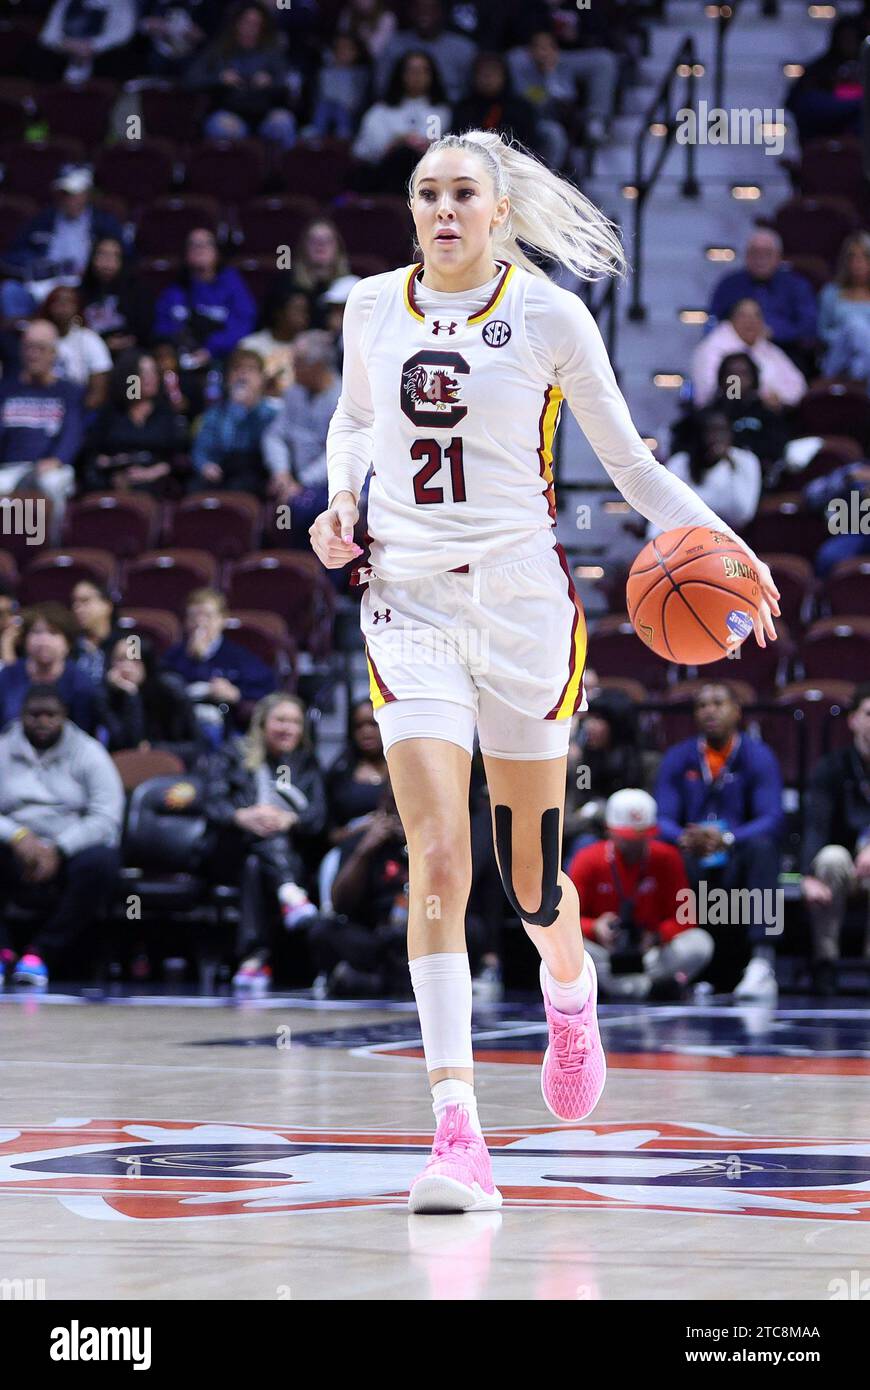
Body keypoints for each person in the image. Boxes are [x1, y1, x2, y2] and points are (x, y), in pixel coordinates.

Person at [309, 128, 780, 1214]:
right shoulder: (371, 304)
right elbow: (356, 419)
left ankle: (571, 990)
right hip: (408, 602)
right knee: (436, 852)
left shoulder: (551, 316)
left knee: (530, 881)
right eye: (426, 193)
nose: (441, 209)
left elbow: (631, 466)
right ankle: (457, 1131)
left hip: (523, 607)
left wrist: (735, 553)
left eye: (462, 193)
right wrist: (341, 501)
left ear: (501, 210)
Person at [655, 682, 784, 1003]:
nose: (709, 710)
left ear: (737, 711)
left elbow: (772, 817)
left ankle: (762, 962)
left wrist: (728, 838)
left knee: (764, 848)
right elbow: (662, 819)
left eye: (718, 703)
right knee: (666, 853)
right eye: (701, 705)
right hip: (694, 852)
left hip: (737, 851)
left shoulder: (758, 755)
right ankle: (690, 966)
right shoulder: (678, 757)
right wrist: (684, 837)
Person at [200, 693, 327, 991]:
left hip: (279, 855)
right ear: (262, 724)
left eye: (295, 722)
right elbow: (209, 800)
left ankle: (253, 960)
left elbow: (319, 818)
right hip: (228, 848)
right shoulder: (233, 754)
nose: (288, 728)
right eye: (280, 720)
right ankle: (289, 894)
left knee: (257, 862)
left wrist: (291, 820)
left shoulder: (306, 763)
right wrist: (241, 816)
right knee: (258, 840)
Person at [0, 684, 124, 989]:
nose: (42, 722)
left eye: (50, 715)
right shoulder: (3, 748)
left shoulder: (89, 752)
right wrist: (17, 837)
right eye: (34, 715)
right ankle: (2, 952)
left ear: (65, 717)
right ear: (21, 716)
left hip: (70, 847)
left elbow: (107, 817)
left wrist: (59, 848)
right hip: (13, 846)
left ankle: (40, 953)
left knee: (103, 862)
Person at [568, 789, 714, 1001]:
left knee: (700, 943)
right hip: (605, 954)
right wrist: (595, 927)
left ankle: (627, 988)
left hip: (651, 955)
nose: (635, 844)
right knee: (571, 949)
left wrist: (657, 936)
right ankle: (645, 989)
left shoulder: (667, 858)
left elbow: (686, 917)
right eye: (627, 838)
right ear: (610, 831)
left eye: (642, 836)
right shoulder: (587, 859)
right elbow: (566, 920)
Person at [800, 683, 870, 994]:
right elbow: (815, 824)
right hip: (843, 867)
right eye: (869, 714)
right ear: (853, 720)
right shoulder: (832, 767)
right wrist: (806, 875)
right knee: (829, 857)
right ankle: (825, 962)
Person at [0, 168, 125, 322]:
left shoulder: (104, 223)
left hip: (85, 286)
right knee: (11, 290)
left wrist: (92, 270)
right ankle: (24, 339)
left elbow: (123, 256)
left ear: (86, 195)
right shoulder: (42, 220)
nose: (68, 199)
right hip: (43, 284)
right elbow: (13, 254)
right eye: (64, 193)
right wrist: (36, 265)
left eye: (72, 194)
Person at [152, 226, 257, 407]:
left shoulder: (231, 282)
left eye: (206, 244)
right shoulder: (176, 289)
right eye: (193, 245)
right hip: (182, 360)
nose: (199, 248)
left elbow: (245, 323)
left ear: (216, 252)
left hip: (222, 358)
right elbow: (160, 326)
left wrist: (210, 350)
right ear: (185, 254)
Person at [0, 320, 83, 542]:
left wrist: (57, 459)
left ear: (53, 353)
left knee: (51, 484)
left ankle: (49, 547)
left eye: (41, 348)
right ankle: (9, 549)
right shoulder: (6, 390)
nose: (33, 354)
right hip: (10, 467)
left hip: (51, 466)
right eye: (29, 347)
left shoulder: (69, 391)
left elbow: (73, 433)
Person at [162, 587, 276, 744]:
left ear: (222, 620)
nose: (200, 623)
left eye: (207, 616)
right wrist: (197, 660)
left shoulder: (239, 657)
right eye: (194, 616)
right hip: (179, 725)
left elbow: (268, 691)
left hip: (227, 727)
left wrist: (237, 694)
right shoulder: (173, 656)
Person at [262, 331, 342, 543]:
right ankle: (283, 558)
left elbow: (340, 453)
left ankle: (315, 570)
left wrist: (301, 482)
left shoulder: (344, 397)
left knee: (300, 508)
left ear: (317, 366)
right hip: (293, 482)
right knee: (280, 507)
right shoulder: (293, 393)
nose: (292, 369)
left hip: (331, 485)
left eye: (297, 363)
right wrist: (282, 473)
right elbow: (274, 436)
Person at [185, 2, 297, 149]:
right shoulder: (219, 49)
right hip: (229, 112)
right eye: (247, 22)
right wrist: (219, 78)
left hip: (265, 113)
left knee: (284, 122)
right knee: (222, 127)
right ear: (237, 23)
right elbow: (190, 80)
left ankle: (282, 170)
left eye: (256, 24)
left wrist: (271, 81)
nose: (250, 28)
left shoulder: (271, 51)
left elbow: (290, 82)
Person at [83, 348, 189, 495]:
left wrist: (150, 473)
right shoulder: (111, 413)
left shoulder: (165, 413)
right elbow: (93, 454)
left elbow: (178, 458)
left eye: (153, 372)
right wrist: (114, 463)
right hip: (113, 481)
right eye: (143, 373)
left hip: (156, 483)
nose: (150, 378)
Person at [708, 229, 817, 369]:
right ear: (746, 256)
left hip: (786, 354)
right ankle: (733, 391)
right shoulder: (728, 285)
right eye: (755, 252)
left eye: (767, 253)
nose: (760, 259)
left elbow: (808, 329)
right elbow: (713, 323)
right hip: (736, 354)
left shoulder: (797, 286)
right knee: (729, 375)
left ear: (779, 256)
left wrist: (774, 332)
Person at [352, 51, 451, 192]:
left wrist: (412, 143)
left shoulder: (440, 111)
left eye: (423, 71)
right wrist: (395, 143)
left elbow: (433, 144)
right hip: (383, 175)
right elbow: (363, 150)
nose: (417, 76)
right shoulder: (381, 110)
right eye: (411, 70)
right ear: (400, 74)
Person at [652, 407, 762, 534]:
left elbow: (743, 515)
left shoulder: (745, 461)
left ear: (730, 433)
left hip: (729, 539)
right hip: (684, 536)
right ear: (699, 434)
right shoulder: (680, 463)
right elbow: (665, 510)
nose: (717, 438)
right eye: (711, 431)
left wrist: (729, 465)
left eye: (722, 430)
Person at [0, 603, 103, 736]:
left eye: (53, 633)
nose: (43, 640)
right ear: (25, 640)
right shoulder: (7, 676)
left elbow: (85, 734)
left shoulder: (81, 684)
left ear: (68, 643)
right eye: (36, 632)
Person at [189, 347, 279, 498]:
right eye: (237, 369)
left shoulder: (272, 413)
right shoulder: (215, 413)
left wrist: (250, 408)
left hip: (256, 472)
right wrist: (205, 466)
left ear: (262, 378)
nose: (242, 374)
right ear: (228, 378)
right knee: (194, 489)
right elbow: (200, 449)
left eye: (250, 369)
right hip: (221, 471)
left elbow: (269, 447)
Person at [101, 633, 201, 763]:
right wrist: (132, 696)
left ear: (146, 662)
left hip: (174, 770)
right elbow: (126, 745)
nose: (126, 667)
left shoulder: (170, 692)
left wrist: (155, 749)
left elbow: (196, 747)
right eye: (120, 659)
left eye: (134, 660)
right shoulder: (105, 697)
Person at [691, 298, 807, 409]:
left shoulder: (766, 347)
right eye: (743, 316)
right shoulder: (713, 349)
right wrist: (761, 398)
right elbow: (719, 392)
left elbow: (798, 385)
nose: (751, 321)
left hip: (769, 415)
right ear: (731, 319)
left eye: (756, 316)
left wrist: (780, 398)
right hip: (724, 418)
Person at [374, 0, 477, 105]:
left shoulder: (464, 48)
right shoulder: (394, 45)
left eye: (431, 8)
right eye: (418, 8)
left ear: (442, 12)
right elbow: (382, 88)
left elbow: (471, 92)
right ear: (410, 12)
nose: (424, 13)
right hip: (401, 112)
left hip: (453, 111)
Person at [710, 352, 791, 476]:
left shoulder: (767, 413)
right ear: (722, 378)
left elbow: (777, 450)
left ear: (754, 377)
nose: (737, 380)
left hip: (759, 476)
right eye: (732, 374)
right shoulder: (710, 414)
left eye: (743, 373)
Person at [36, 285, 112, 413]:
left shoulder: (90, 339)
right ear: (48, 306)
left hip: (79, 405)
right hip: (40, 404)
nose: (63, 306)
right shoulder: (37, 338)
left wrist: (75, 416)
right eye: (57, 301)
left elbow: (98, 391)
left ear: (77, 307)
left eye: (68, 301)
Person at [79, 237, 153, 356]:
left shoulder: (138, 291)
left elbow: (145, 330)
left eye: (114, 255)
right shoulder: (81, 292)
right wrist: (101, 344)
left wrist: (126, 342)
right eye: (102, 254)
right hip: (89, 353)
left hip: (130, 354)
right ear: (92, 258)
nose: (108, 261)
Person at [817, 232, 870, 384]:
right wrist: (848, 337)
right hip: (837, 358)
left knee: (861, 363)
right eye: (853, 257)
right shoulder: (831, 293)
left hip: (862, 362)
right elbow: (822, 332)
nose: (858, 263)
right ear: (845, 261)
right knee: (854, 325)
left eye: (864, 257)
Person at [240, 290, 313, 397]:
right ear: (279, 313)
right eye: (298, 310)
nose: (304, 317)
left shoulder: (312, 347)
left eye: (305, 311)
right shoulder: (250, 346)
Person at [305, 32, 371, 141]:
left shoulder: (362, 74)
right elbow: (317, 97)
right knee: (325, 107)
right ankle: (316, 136)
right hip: (325, 107)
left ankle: (343, 137)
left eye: (348, 49)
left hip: (349, 111)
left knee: (340, 109)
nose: (343, 52)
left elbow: (361, 101)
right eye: (339, 48)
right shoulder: (324, 71)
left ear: (357, 52)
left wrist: (350, 105)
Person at [70, 581, 127, 685]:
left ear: (107, 606)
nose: (77, 608)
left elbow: (142, 681)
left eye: (85, 601)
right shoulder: (69, 645)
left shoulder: (132, 640)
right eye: (74, 602)